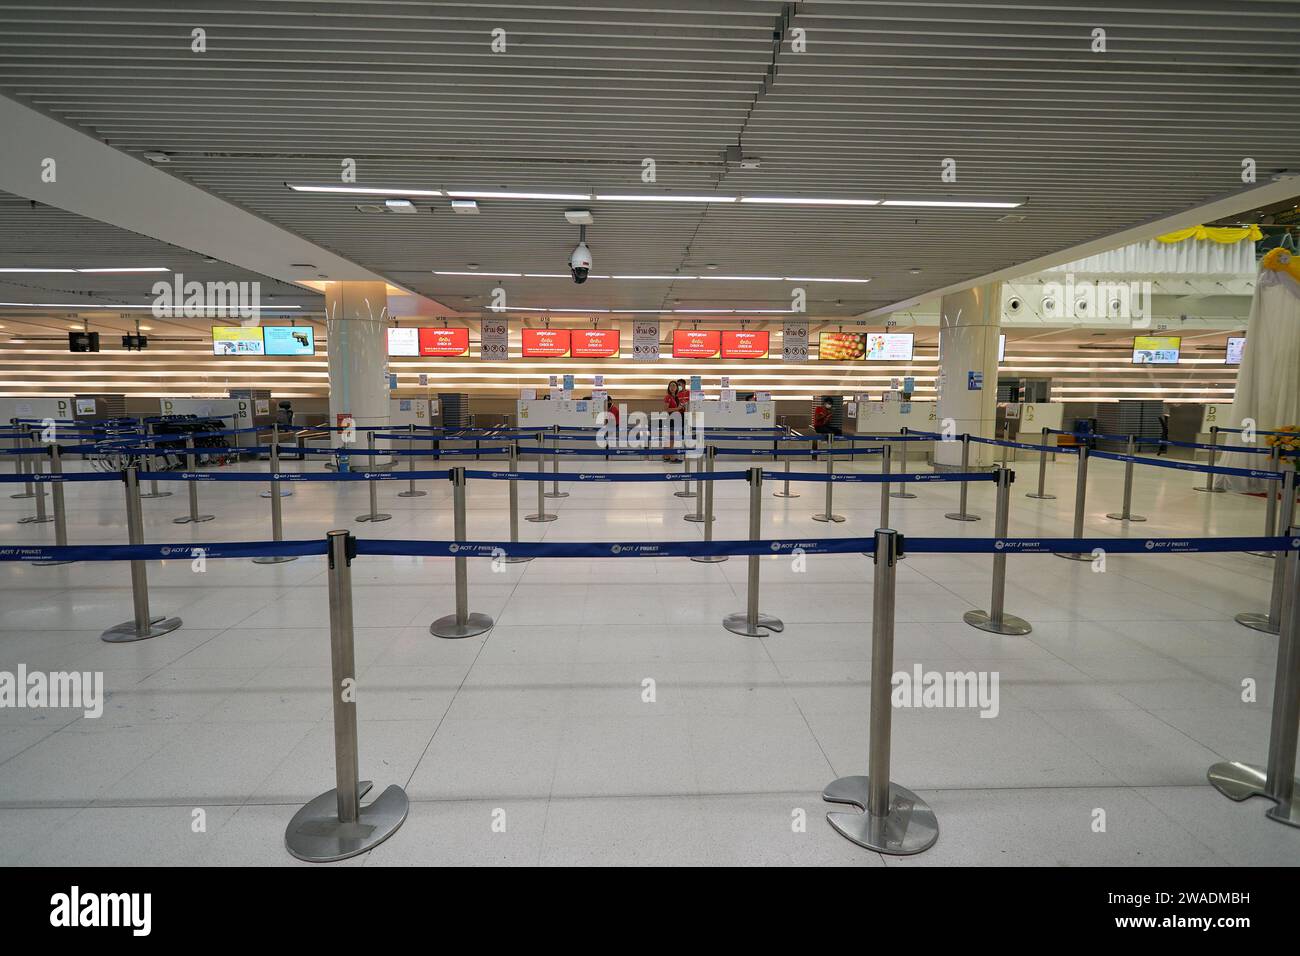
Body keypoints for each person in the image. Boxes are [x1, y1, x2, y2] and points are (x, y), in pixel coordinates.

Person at [663, 381, 683, 462]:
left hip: (675, 419)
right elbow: (666, 409)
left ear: (677, 388)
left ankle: (666, 456)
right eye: (671, 386)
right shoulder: (668, 397)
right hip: (670, 419)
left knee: (670, 439)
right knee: (671, 439)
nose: (672, 387)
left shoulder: (676, 397)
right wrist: (678, 409)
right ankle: (671, 457)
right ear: (668, 388)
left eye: (674, 386)